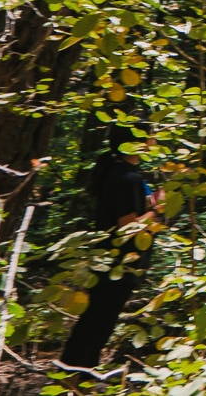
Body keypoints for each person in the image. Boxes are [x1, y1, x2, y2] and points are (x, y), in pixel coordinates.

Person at [60, 132, 163, 374]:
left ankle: (73, 377)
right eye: (150, 137)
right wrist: (159, 209)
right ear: (135, 143)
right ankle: (73, 378)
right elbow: (128, 227)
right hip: (117, 264)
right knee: (97, 324)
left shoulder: (122, 173)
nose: (154, 142)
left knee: (96, 322)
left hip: (114, 262)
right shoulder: (126, 177)